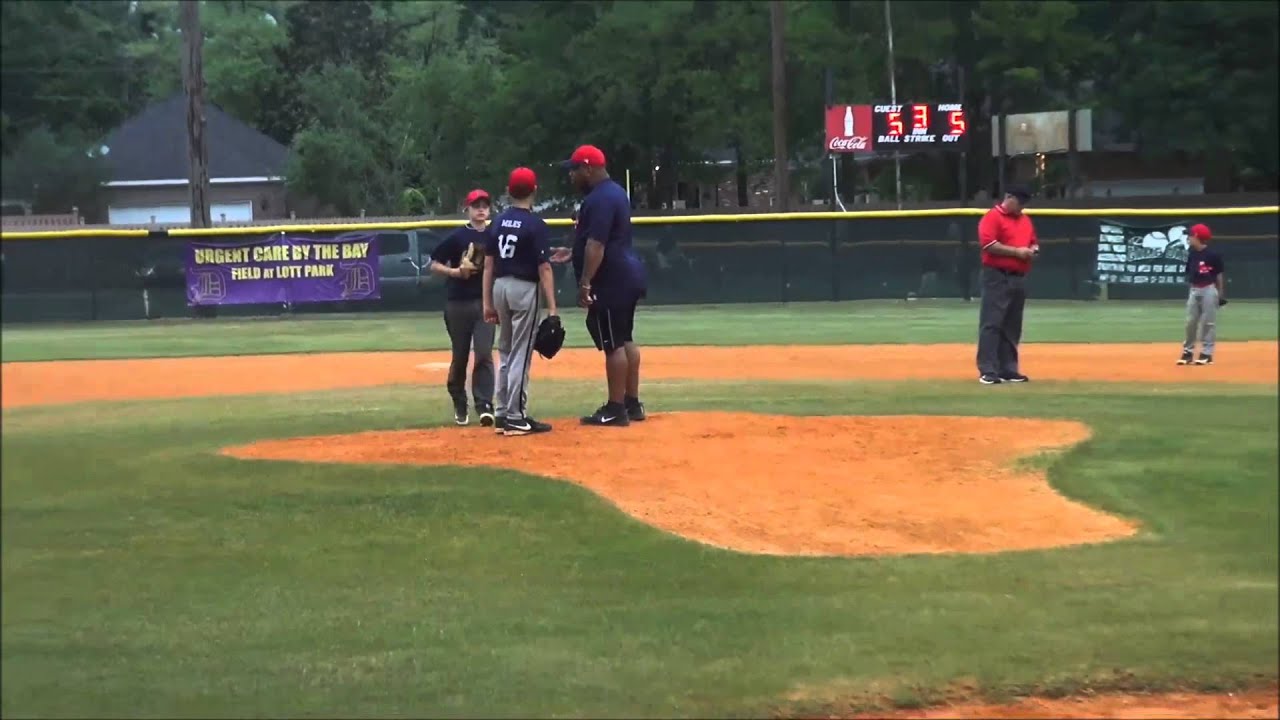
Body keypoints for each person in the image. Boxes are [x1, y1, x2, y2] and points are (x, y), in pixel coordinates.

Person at [555, 144, 648, 426]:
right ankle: (632, 403)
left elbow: (597, 244)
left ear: (588, 168)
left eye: (574, 170)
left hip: (609, 280)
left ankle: (615, 408)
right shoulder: (616, 192)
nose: (571, 176)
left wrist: (585, 282)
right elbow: (601, 239)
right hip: (627, 274)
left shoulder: (598, 199)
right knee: (626, 338)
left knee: (613, 344)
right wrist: (574, 252)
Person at [482, 167, 558, 436]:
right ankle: (515, 416)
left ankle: (502, 412)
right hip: (524, 288)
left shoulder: (498, 222)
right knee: (521, 353)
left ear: (508, 191)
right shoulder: (535, 224)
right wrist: (553, 309)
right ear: (534, 190)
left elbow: (488, 265)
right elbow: (544, 269)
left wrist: (486, 302)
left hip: (500, 286)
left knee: (505, 349)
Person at [428, 189, 496, 426]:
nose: (481, 209)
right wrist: (455, 272)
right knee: (460, 357)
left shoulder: (494, 235)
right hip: (457, 302)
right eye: (476, 205)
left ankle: (484, 404)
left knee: (485, 354)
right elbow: (434, 264)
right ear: (466, 208)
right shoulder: (457, 236)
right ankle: (459, 399)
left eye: (484, 205)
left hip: (485, 302)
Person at [975, 186, 1039, 385]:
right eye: (1020, 203)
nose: (1022, 208)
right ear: (1009, 198)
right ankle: (988, 370)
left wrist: (1033, 249)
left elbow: (1033, 241)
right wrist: (1017, 252)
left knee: (1012, 324)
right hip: (997, 275)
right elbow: (989, 244)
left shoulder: (1025, 219)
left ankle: (1008, 369)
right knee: (992, 323)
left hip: (1019, 276)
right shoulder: (992, 217)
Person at [1178, 223, 1226, 366]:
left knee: (1208, 323)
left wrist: (1220, 294)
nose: (1188, 238)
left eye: (1190, 235)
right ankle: (1188, 352)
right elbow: (1190, 273)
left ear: (1197, 236)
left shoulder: (1213, 255)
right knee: (1190, 322)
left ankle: (1206, 354)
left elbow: (1219, 275)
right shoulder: (1192, 253)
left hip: (1209, 290)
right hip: (1194, 290)